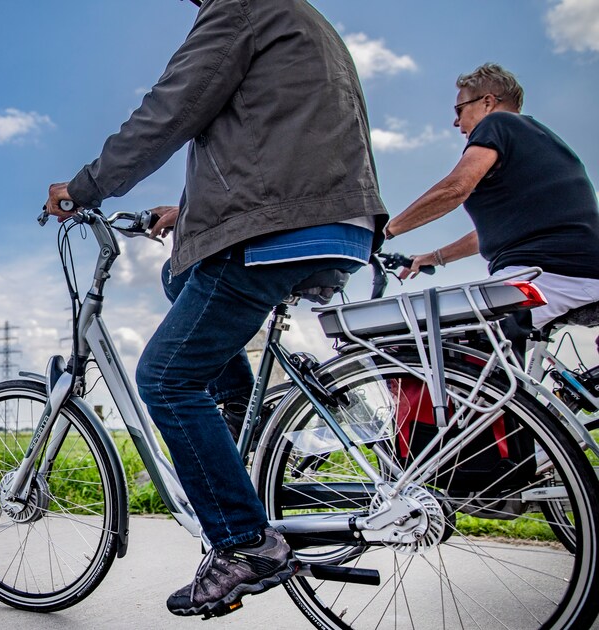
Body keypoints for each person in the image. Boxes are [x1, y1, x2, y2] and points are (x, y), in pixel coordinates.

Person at [43, 0, 387, 617]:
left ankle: (243, 543)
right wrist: (189, 212)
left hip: (280, 227)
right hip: (334, 217)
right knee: (182, 279)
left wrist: (85, 187)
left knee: (166, 378)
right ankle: (233, 416)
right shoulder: (297, 14)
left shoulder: (241, 7)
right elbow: (265, 132)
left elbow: (170, 110)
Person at [388, 63, 599, 353]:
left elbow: (455, 189)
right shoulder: (540, 138)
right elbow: (493, 233)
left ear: (487, 102)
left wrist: (387, 230)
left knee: (438, 337)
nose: (455, 122)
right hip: (577, 268)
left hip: (551, 271)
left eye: (459, 110)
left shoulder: (497, 124)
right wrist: (433, 258)